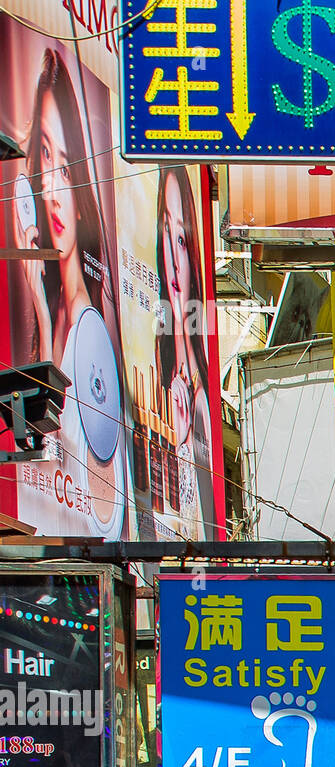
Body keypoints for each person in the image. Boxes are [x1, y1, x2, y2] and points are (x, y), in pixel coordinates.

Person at [11, 48, 122, 537]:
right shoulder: (50, 313)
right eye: (44, 161)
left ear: (81, 194)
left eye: (65, 169)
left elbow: (102, 502)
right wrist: (35, 290)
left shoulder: (93, 336)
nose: (51, 189)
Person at [155, 165, 214, 540]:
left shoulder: (202, 403)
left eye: (182, 239)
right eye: (166, 229)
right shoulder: (154, 376)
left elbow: (207, 530)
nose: (175, 261)